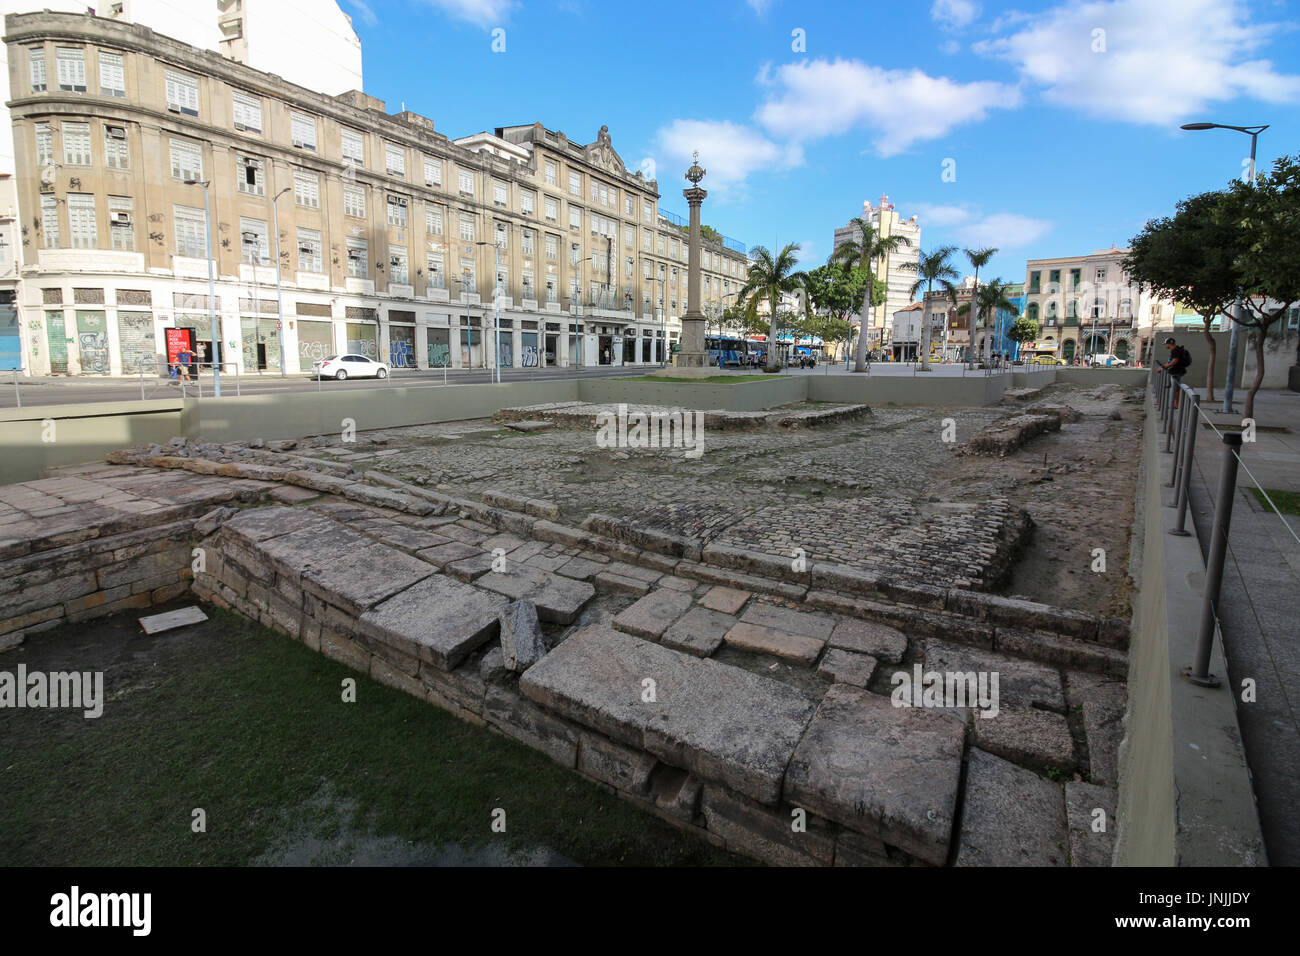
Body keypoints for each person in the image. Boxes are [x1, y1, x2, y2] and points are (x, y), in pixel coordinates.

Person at [1157, 336, 1192, 408]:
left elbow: (1174, 361)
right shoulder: (1177, 350)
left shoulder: (1175, 350)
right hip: (1177, 370)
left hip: (1176, 371)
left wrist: (1163, 367)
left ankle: (1177, 405)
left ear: (1170, 343)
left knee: (1176, 389)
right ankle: (1176, 404)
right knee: (1175, 388)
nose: (1165, 346)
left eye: (1166, 344)